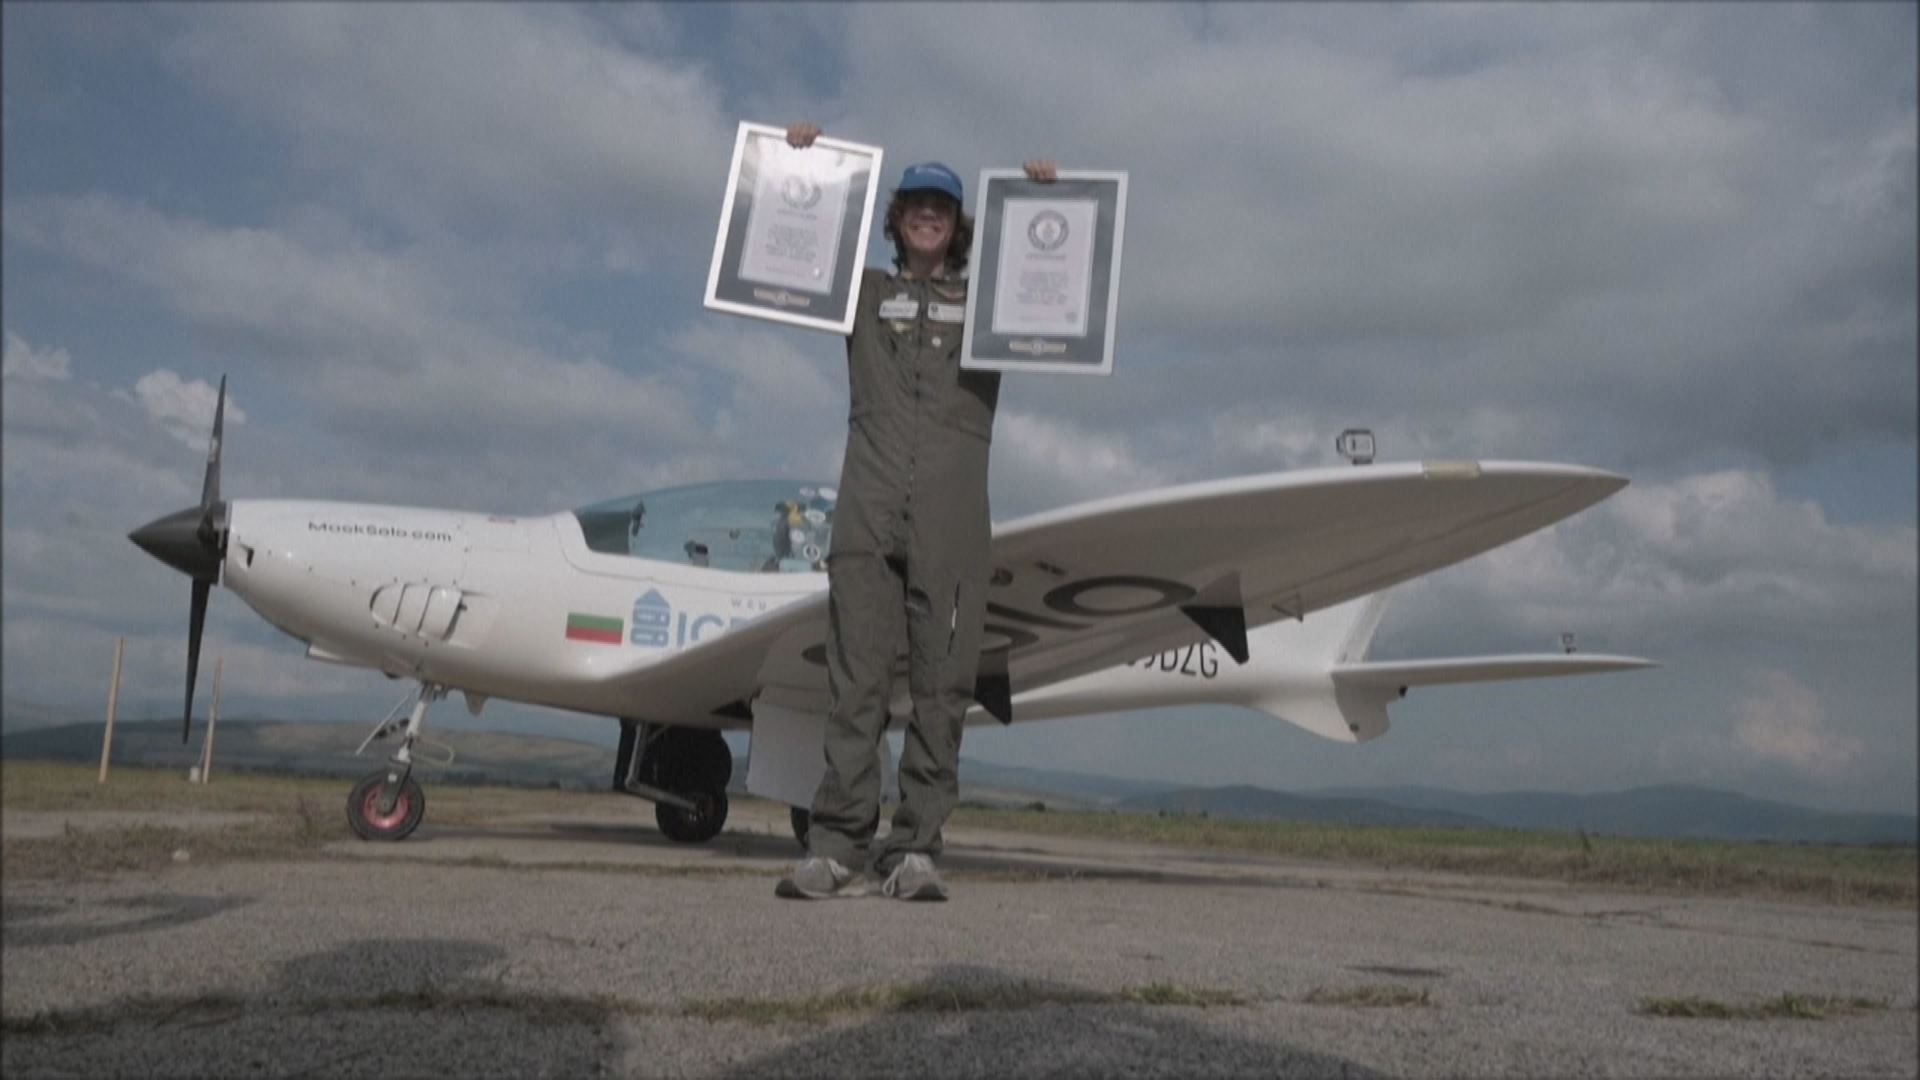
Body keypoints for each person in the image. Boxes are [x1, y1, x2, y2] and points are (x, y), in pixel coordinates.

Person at [777, 123, 1055, 900]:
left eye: (943, 206)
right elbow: (797, 244)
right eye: (917, 204)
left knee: (942, 687)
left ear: (959, 224)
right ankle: (836, 846)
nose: (929, 215)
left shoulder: (994, 304)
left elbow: (1055, 270)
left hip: (954, 517)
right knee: (855, 681)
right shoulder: (859, 295)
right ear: (896, 218)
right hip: (866, 509)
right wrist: (799, 162)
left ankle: (916, 850)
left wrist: (1046, 201)